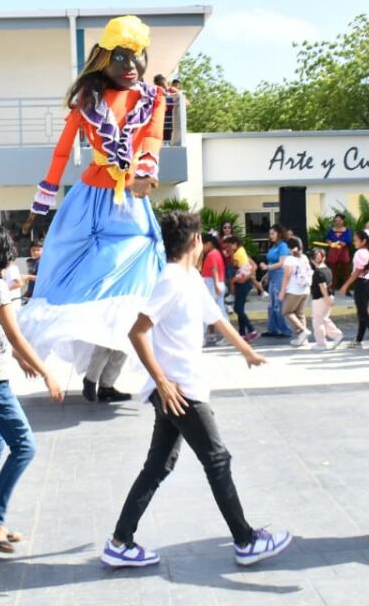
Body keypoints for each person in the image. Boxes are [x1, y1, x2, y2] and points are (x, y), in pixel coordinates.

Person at [101, 211, 290, 569]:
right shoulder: (171, 280)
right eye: (202, 237)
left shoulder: (190, 279)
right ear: (193, 242)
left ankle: (120, 542)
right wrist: (161, 382)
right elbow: (137, 332)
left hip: (179, 387)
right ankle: (246, 540)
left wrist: (246, 351)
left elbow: (216, 319)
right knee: (217, 459)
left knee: (158, 466)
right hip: (179, 390)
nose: (204, 243)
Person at [19, 16, 165, 405]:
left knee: (135, 297)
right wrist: (43, 201)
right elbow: (62, 151)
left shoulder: (153, 97)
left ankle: (103, 379)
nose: (131, 65)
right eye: (121, 57)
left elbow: (151, 136)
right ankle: (93, 377)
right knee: (84, 288)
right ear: (103, 59)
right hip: (88, 204)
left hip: (132, 203)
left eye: (137, 56)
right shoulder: (87, 101)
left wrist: (145, 170)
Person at [0, 227, 64, 553]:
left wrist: (20, 360)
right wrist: (47, 372)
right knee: (25, 447)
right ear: (5, 255)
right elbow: (15, 334)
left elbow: (1, 335)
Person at [340, 230, 369, 348]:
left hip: (362, 284)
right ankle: (359, 339)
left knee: (363, 313)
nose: (354, 242)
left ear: (363, 241)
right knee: (362, 312)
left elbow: (357, 271)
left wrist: (345, 285)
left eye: (355, 240)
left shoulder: (360, 253)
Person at [258, 224, 292, 337]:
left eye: (273, 233)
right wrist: (266, 275)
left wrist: (267, 268)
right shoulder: (274, 246)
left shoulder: (283, 246)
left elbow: (282, 263)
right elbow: (272, 263)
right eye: (270, 234)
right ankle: (273, 329)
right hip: (273, 277)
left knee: (279, 304)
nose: (270, 236)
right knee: (272, 304)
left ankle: (285, 330)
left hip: (280, 277)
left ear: (279, 234)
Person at [279, 237, 313, 347]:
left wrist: (282, 291)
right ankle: (302, 339)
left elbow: (286, 277)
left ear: (291, 248)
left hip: (294, 290)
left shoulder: (289, 259)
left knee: (287, 311)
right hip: (305, 289)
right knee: (300, 313)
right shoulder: (304, 258)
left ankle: (302, 331)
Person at [222, 236, 258, 340]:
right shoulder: (240, 252)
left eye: (230, 246)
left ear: (236, 244)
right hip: (241, 281)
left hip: (243, 282)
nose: (229, 248)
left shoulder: (239, 254)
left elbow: (253, 266)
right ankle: (242, 333)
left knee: (237, 308)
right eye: (227, 246)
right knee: (240, 308)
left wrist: (246, 277)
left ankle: (252, 330)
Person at [308, 248, 342, 350]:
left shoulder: (318, 272)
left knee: (318, 320)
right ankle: (337, 335)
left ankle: (321, 343)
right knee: (324, 318)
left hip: (320, 298)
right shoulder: (328, 270)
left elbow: (322, 286)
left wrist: (326, 298)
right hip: (328, 296)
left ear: (312, 260)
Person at [200, 233, 227, 346]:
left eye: (203, 245)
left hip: (212, 283)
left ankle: (202, 337)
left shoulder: (211, 254)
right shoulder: (216, 253)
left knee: (207, 310)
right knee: (219, 311)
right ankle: (225, 336)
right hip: (215, 283)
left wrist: (215, 284)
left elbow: (214, 269)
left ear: (209, 244)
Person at [325, 214, 353, 290]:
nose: (338, 222)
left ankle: (347, 289)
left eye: (339, 220)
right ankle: (331, 288)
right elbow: (327, 238)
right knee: (332, 272)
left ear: (343, 221)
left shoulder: (347, 230)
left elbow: (348, 241)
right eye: (336, 220)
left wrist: (343, 243)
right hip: (333, 252)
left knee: (346, 272)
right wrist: (329, 242)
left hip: (343, 252)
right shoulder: (331, 230)